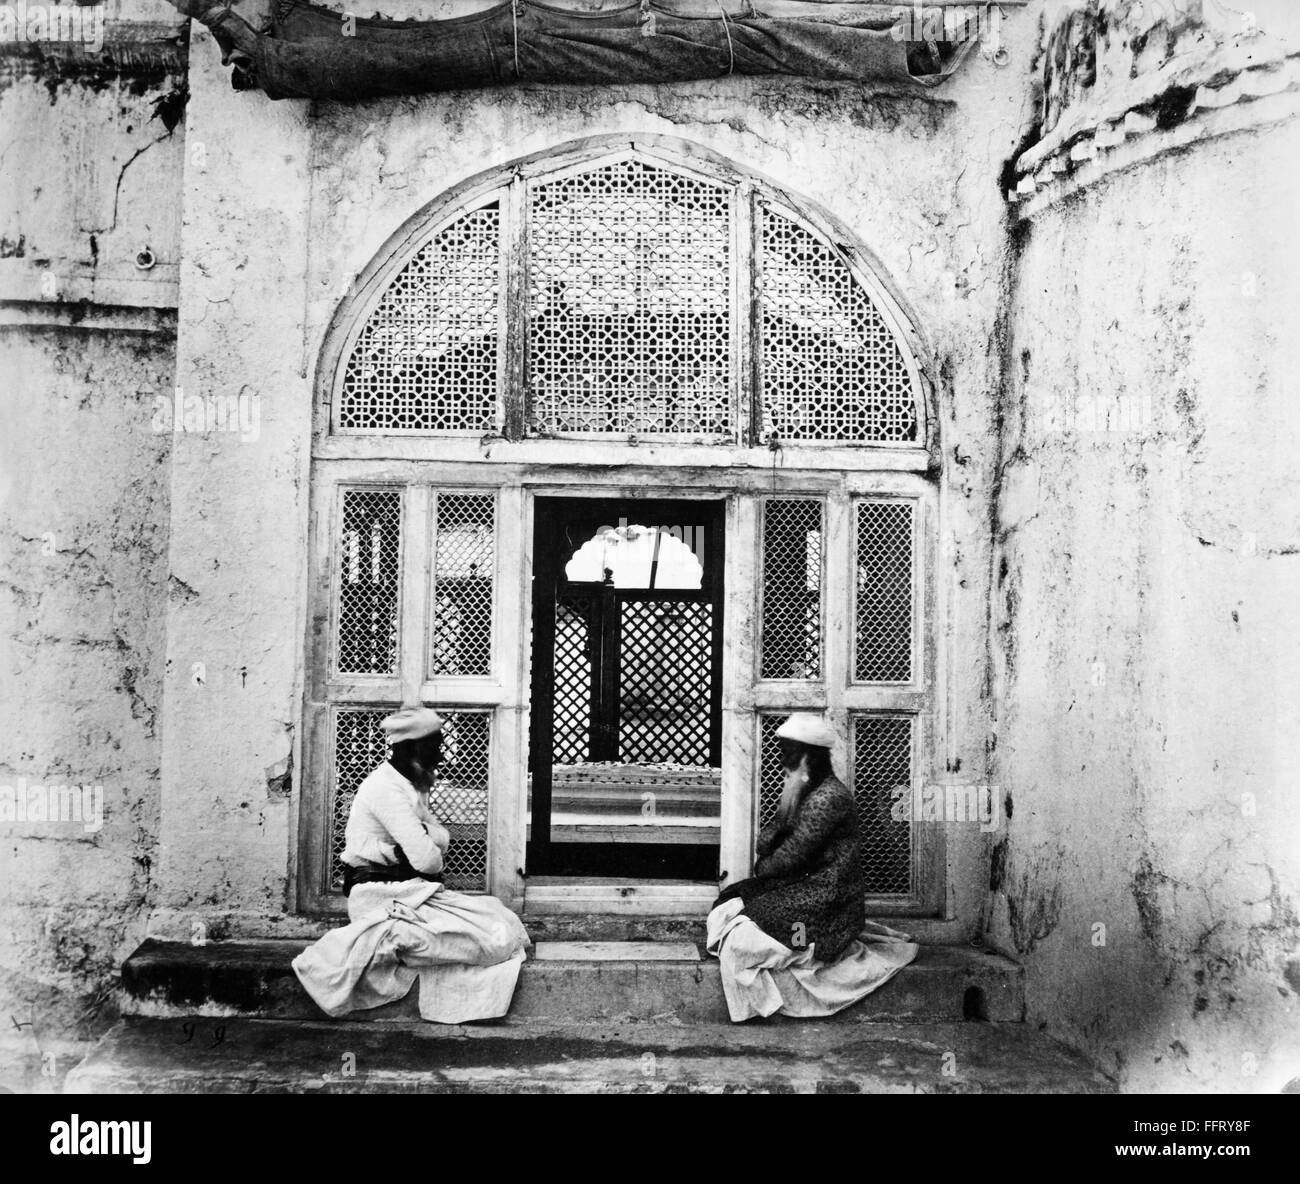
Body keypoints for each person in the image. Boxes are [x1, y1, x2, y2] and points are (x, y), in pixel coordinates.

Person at [293, 705, 529, 1023]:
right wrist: (421, 844)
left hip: (409, 892)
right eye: (435, 747)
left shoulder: (406, 786)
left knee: (504, 920)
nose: (441, 756)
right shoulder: (385, 788)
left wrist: (420, 839)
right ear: (413, 748)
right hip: (380, 898)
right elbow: (429, 861)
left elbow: (441, 839)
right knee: (494, 940)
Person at [706, 714, 918, 1021]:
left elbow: (787, 858)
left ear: (809, 757)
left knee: (743, 933)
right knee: (731, 899)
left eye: (790, 755)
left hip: (828, 897)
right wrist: (783, 813)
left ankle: (797, 964)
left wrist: (767, 859)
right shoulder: (804, 791)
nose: (784, 762)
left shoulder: (829, 798)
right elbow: (766, 843)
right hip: (803, 886)